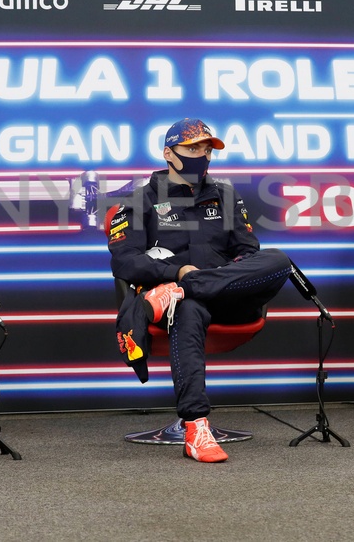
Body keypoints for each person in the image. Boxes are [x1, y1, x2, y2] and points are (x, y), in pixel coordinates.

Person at [108, 118, 291, 462]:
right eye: (193, 148)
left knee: (279, 260)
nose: (202, 156)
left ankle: (183, 290)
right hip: (177, 308)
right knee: (189, 309)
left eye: (206, 150)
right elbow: (124, 260)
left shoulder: (225, 195)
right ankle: (196, 427)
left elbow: (249, 252)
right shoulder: (141, 200)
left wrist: (189, 283)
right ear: (168, 153)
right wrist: (174, 270)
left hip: (227, 298)